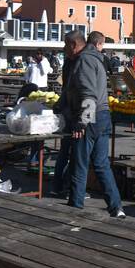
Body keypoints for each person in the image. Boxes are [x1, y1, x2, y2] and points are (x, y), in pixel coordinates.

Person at [63, 31, 125, 217]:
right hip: (103, 115)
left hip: (90, 117)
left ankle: (75, 208)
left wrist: (81, 123)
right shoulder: (96, 58)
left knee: (79, 163)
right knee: (101, 164)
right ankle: (116, 207)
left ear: (74, 44)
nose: (64, 49)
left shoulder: (84, 61)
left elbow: (88, 94)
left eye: (65, 45)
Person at [52, 30, 86, 196]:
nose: (64, 48)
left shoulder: (73, 61)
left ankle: (59, 185)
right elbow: (82, 92)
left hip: (69, 110)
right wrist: (82, 119)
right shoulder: (74, 62)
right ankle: (67, 187)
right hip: (73, 112)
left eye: (66, 44)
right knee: (74, 154)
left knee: (66, 152)